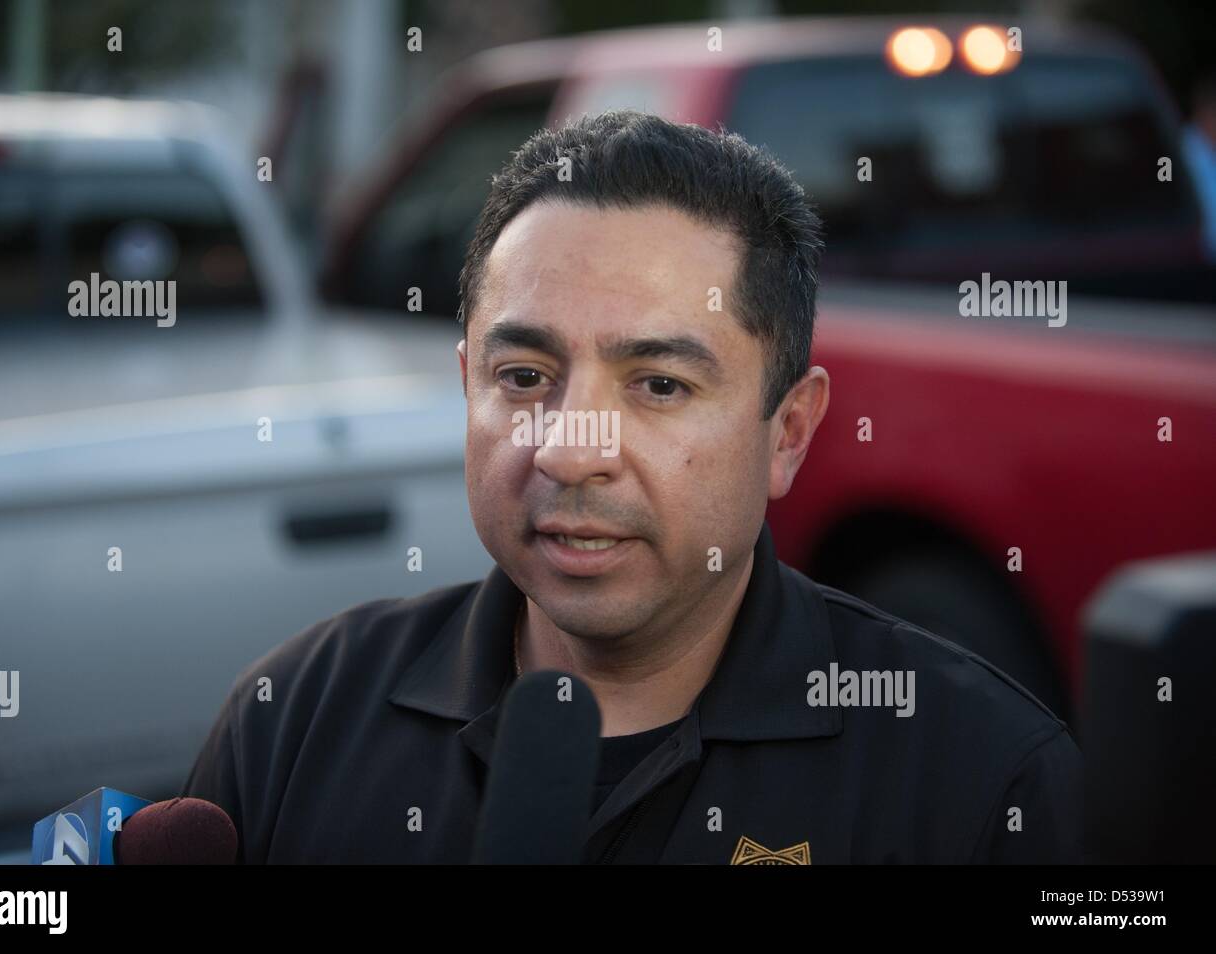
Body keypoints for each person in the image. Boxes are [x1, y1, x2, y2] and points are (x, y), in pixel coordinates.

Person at [182, 110, 1081, 863]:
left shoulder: (976, 779)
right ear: (467, 387)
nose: (572, 453)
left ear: (789, 432)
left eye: (659, 386)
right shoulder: (294, 721)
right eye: (525, 376)